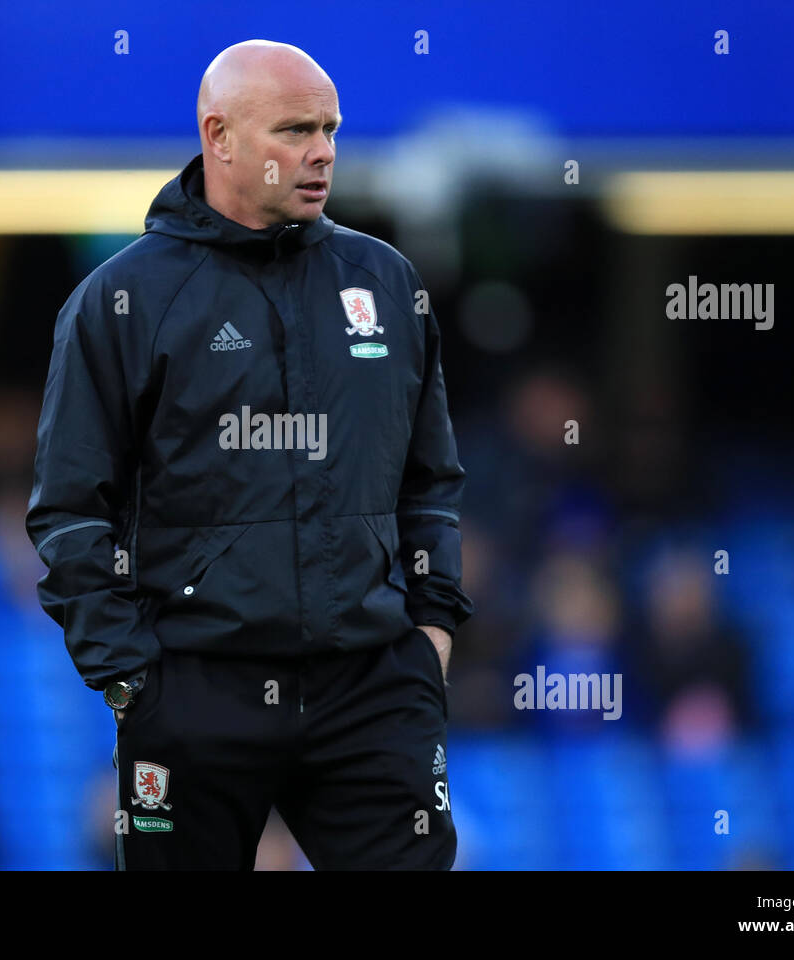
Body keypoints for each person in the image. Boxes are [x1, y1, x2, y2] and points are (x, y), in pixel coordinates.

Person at [26, 39, 474, 870]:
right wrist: (131, 682)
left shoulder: (385, 283)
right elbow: (67, 510)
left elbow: (431, 481)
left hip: (370, 686)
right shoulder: (122, 300)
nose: (324, 153)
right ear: (219, 135)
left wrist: (433, 631)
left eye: (332, 130)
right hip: (194, 690)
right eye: (295, 130)